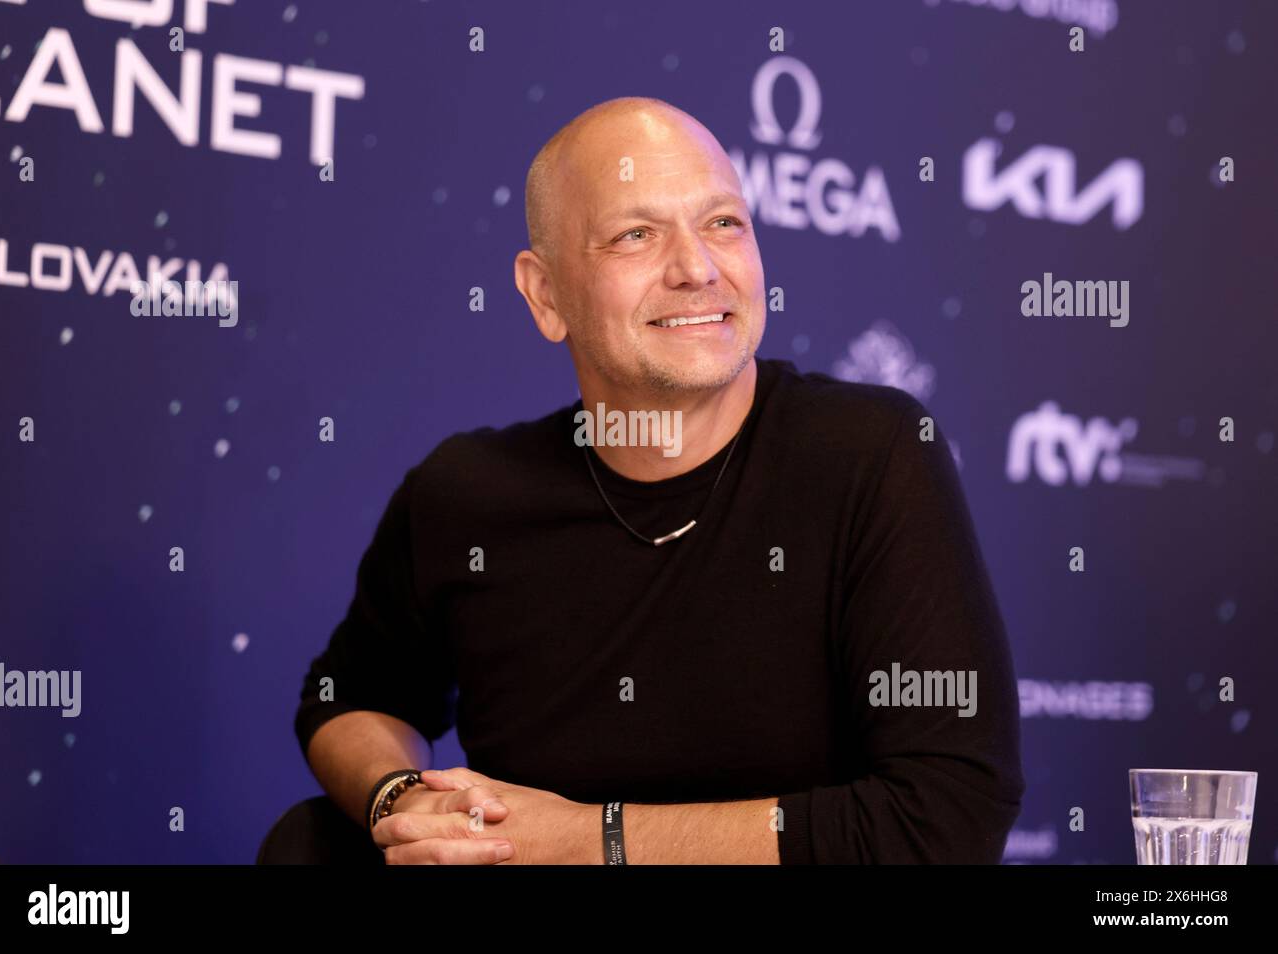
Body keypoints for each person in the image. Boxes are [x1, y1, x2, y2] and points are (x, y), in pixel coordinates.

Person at [266, 96, 1024, 865]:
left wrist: (591, 842)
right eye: (635, 235)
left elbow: (945, 818)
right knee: (311, 843)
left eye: (724, 223)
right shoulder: (467, 494)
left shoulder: (870, 452)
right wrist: (406, 801)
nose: (697, 268)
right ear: (545, 295)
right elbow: (349, 699)